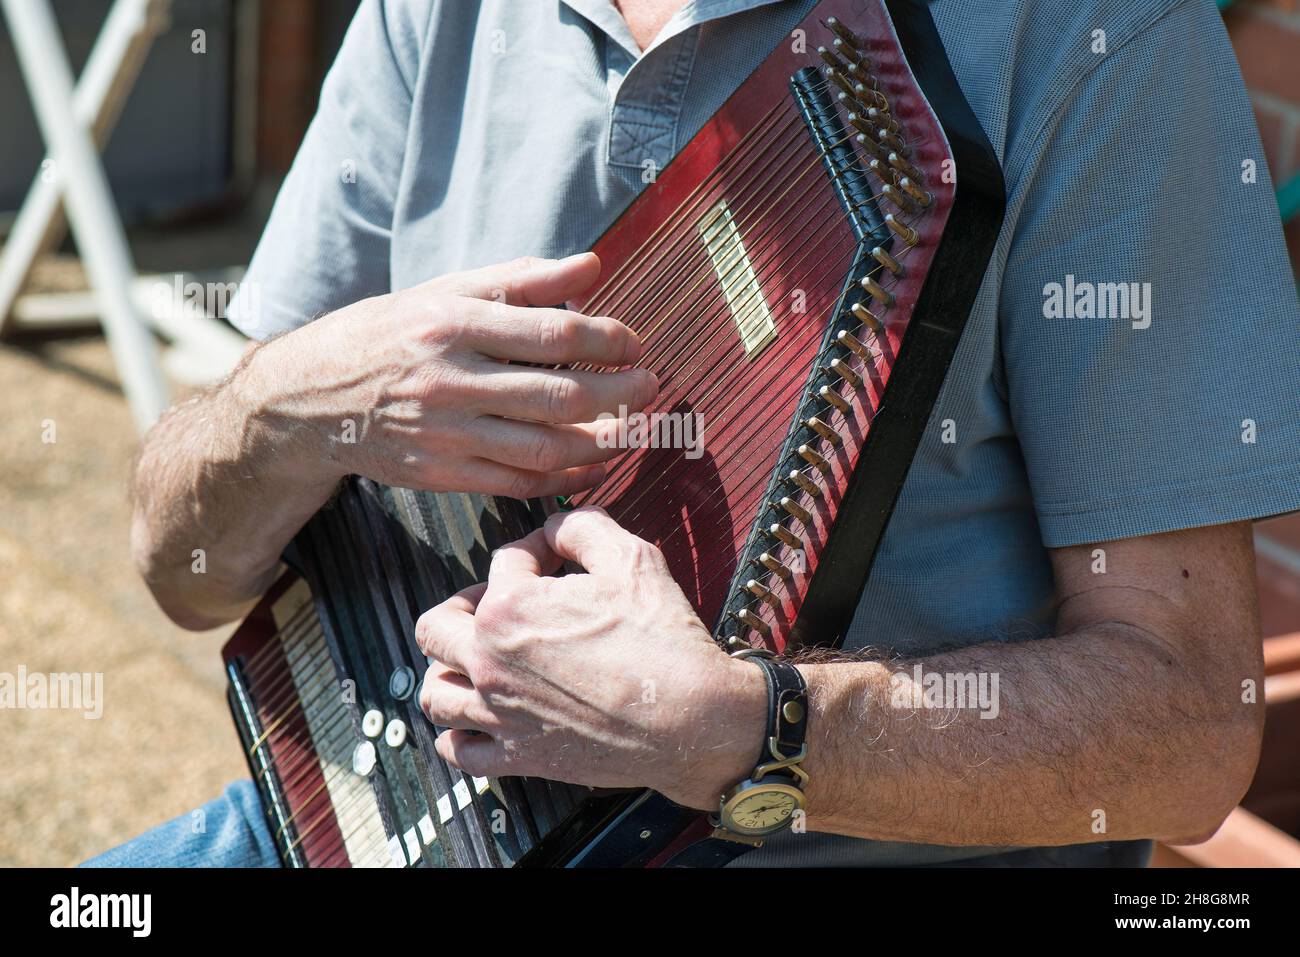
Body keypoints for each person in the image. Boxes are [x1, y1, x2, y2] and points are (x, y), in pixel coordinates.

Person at [87, 0, 1300, 867]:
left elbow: (1187, 730)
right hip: (370, 815)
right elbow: (181, 574)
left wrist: (733, 729)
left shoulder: (1092, 32)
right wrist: (281, 405)